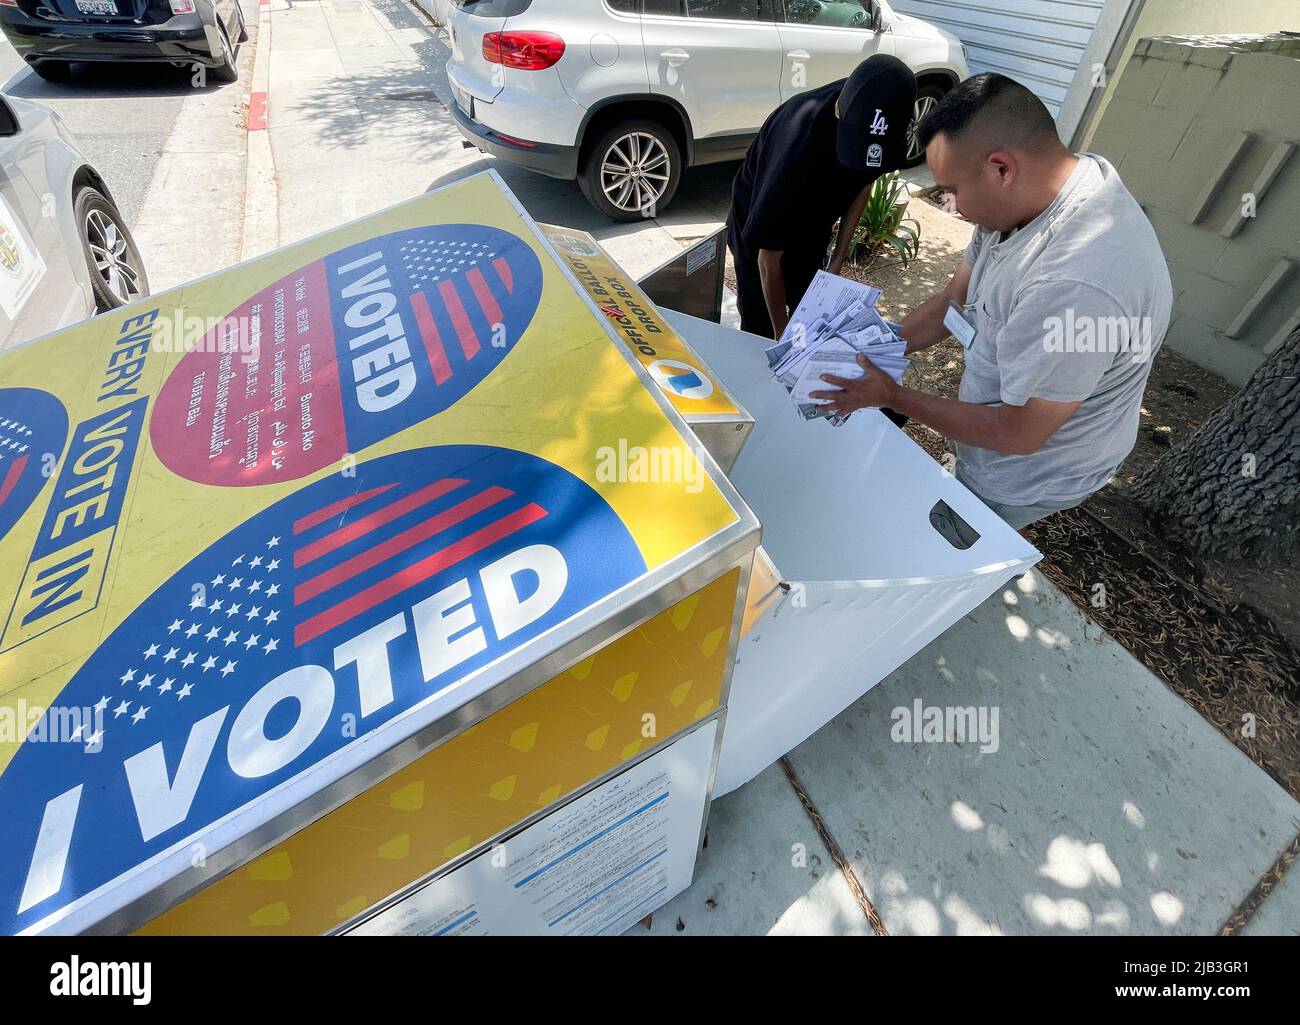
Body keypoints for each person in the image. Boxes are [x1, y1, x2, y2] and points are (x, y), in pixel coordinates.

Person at [810, 73, 1173, 534]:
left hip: (1029, 470)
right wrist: (870, 350)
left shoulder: (1076, 284)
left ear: (1002, 168)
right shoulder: (1033, 194)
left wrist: (892, 396)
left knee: (955, 542)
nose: (951, 206)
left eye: (952, 190)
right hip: (1009, 427)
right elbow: (953, 301)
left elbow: (1018, 433)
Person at [726, 54, 916, 340]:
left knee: (811, 307)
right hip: (760, 227)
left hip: (814, 222)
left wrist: (837, 260)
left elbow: (862, 185)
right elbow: (768, 261)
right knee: (760, 325)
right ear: (839, 111)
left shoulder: (879, 112)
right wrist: (782, 338)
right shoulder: (795, 148)